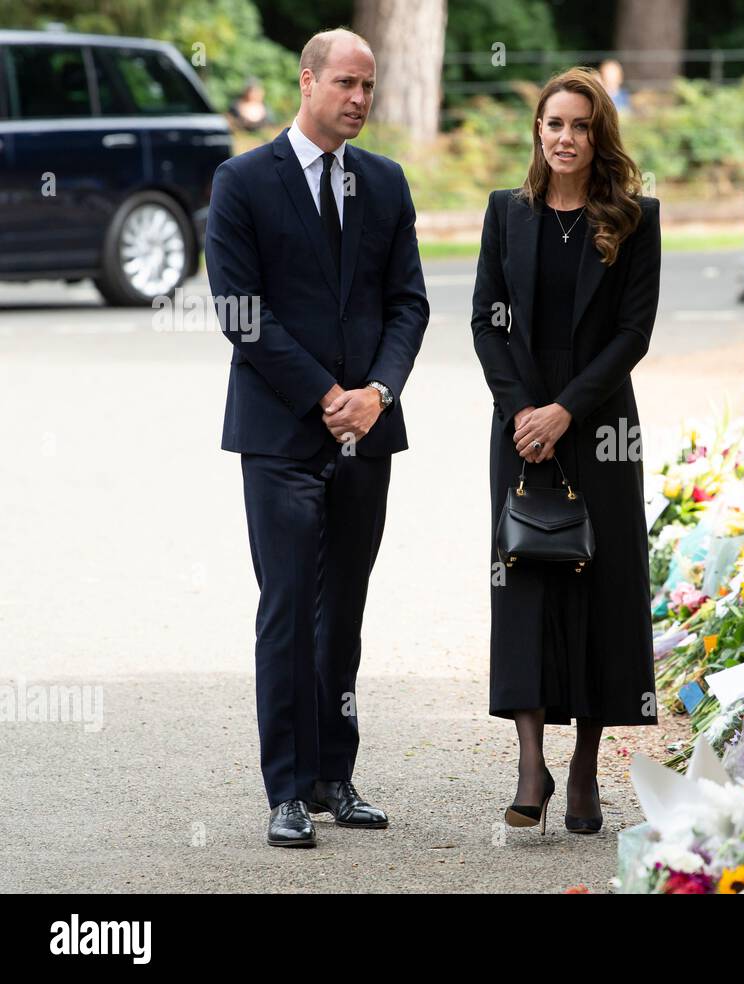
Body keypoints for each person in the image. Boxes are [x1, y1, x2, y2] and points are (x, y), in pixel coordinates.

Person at [205, 29, 429, 848]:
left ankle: (337, 775)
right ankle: (289, 790)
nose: (360, 100)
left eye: (369, 86)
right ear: (306, 82)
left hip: (367, 434)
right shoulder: (241, 182)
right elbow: (240, 313)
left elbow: (410, 303)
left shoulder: (385, 183)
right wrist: (326, 394)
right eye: (346, 83)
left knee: (347, 614)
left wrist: (375, 393)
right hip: (279, 435)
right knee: (290, 608)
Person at [470, 67, 660, 835]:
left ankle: (583, 771)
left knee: (598, 590)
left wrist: (564, 412)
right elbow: (486, 321)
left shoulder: (634, 218)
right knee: (523, 584)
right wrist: (524, 412)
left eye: (580, 126)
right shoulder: (504, 214)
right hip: (519, 429)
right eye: (554, 124)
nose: (566, 138)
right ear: (538, 132)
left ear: (598, 134)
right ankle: (529, 765)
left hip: (601, 431)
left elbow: (632, 335)